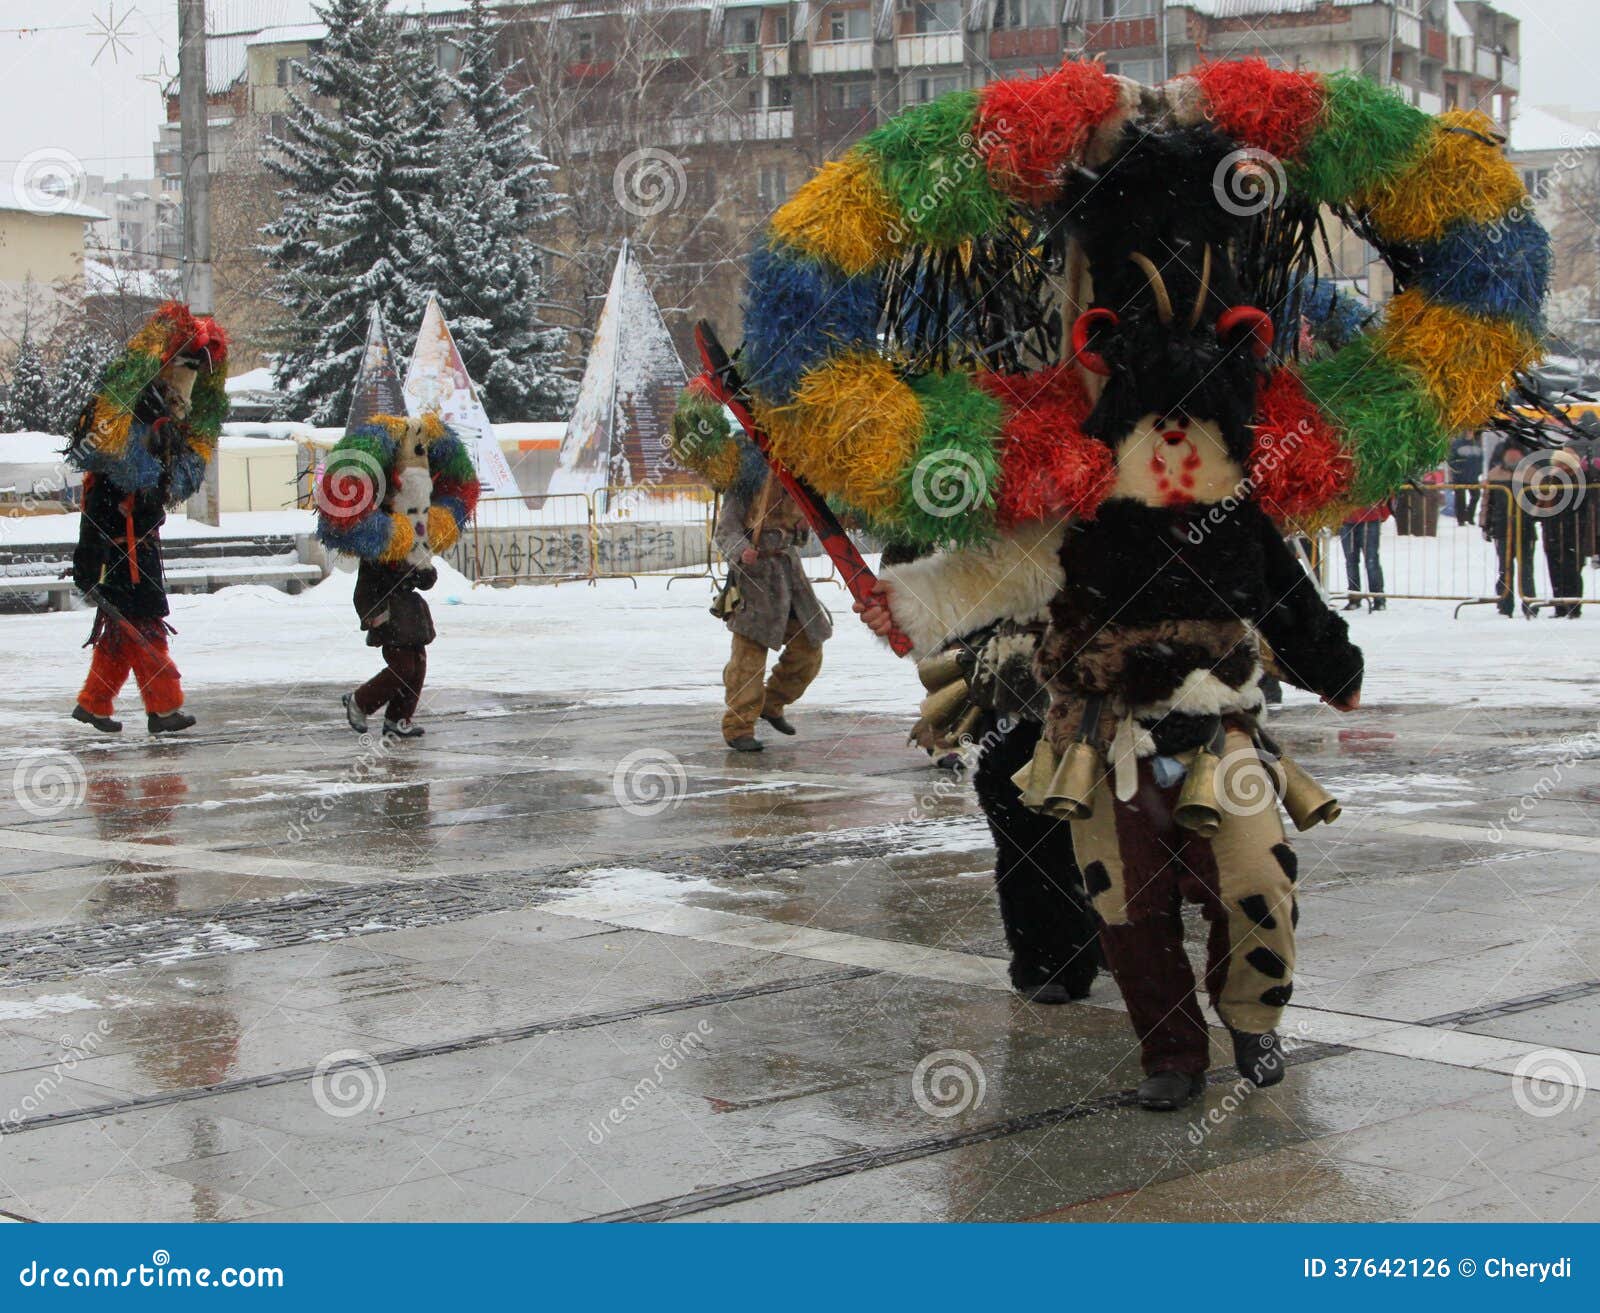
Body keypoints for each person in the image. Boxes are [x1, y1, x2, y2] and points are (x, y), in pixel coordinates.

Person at [66, 303, 228, 735]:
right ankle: (164, 708)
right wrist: (90, 559)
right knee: (142, 631)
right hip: (122, 555)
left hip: (140, 548)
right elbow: (102, 506)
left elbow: (160, 488)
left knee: (123, 634)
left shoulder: (159, 436)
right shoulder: (119, 450)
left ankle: (94, 704)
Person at [317, 413, 481, 737]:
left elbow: (414, 568)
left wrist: (424, 573)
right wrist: (412, 574)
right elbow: (387, 569)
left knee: (418, 662)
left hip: (404, 604)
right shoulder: (383, 529)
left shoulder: (411, 525)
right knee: (403, 666)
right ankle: (360, 702)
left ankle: (398, 719)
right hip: (381, 602)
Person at [713, 470, 832, 752]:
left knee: (809, 648)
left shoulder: (797, 479)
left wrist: (803, 525)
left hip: (790, 575)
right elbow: (725, 531)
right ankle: (738, 727)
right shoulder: (745, 481)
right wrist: (741, 550)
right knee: (748, 658)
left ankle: (773, 702)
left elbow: (799, 536)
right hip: (755, 576)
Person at [1482, 440, 1536, 617]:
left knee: (1526, 568)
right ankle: (1505, 604)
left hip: (1525, 529)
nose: (1512, 456)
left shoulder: (1531, 475)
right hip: (1502, 528)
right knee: (1505, 568)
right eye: (1509, 452)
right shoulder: (1495, 475)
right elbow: (1487, 502)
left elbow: (1541, 502)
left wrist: (1537, 518)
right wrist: (1485, 524)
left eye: (1516, 452)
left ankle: (1529, 603)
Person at [1339, 503, 1388, 611]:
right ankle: (1354, 598)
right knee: (1350, 561)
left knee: (1371, 561)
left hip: (1370, 518)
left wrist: (1383, 511)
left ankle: (1378, 598)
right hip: (1346, 519)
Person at [1449, 430, 1485, 525]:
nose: (1469, 432)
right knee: (1460, 499)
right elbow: (1451, 459)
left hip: (1473, 477)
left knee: (1475, 496)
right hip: (1459, 477)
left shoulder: (1477, 445)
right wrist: (1457, 470)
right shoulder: (1457, 444)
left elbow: (1481, 460)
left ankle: (1469, 516)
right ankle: (1461, 519)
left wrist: (1479, 471)